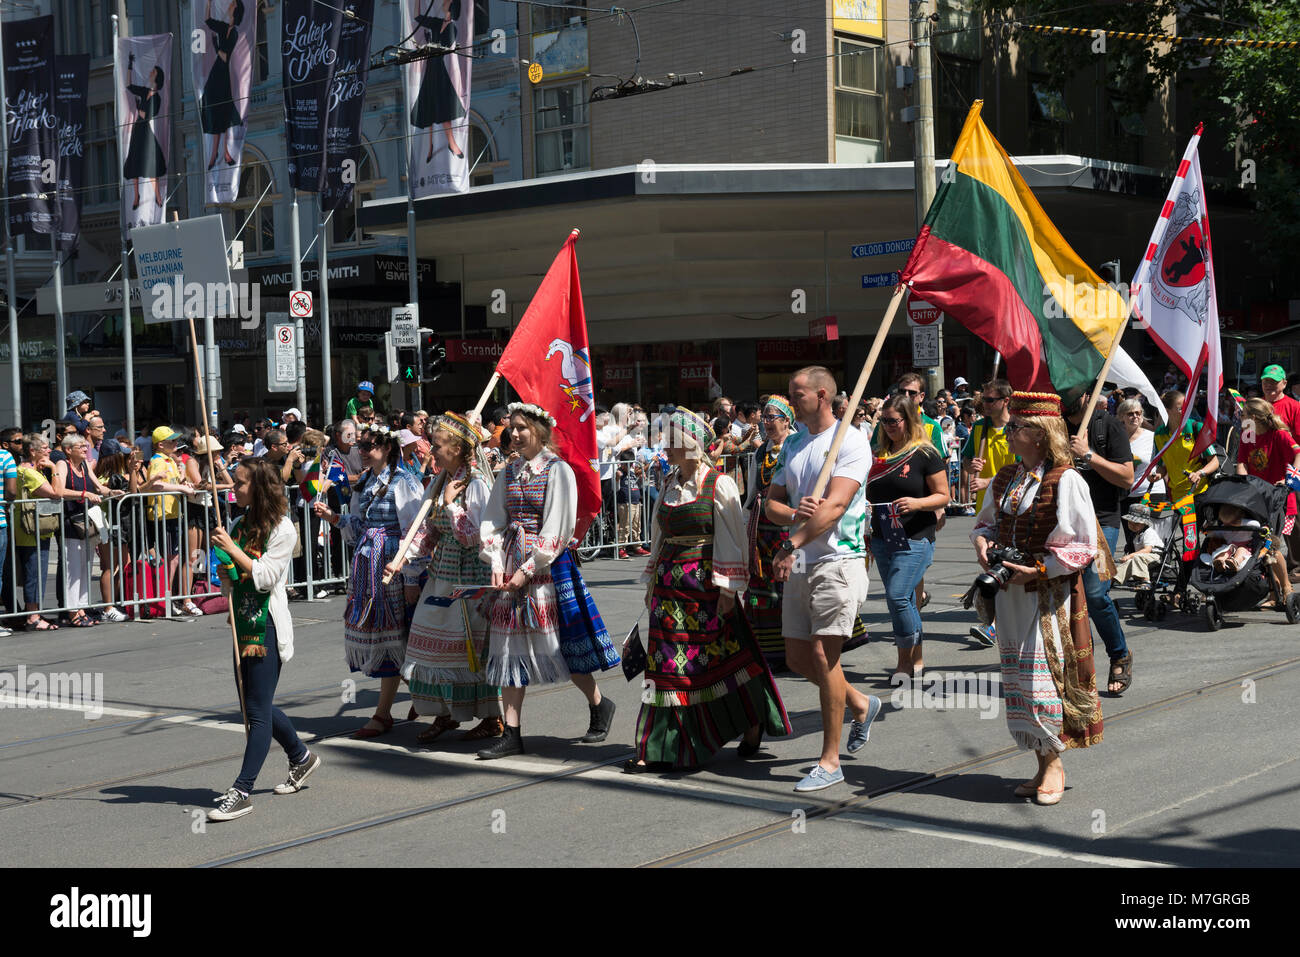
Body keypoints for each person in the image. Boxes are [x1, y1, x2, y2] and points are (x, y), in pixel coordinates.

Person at [626, 407, 790, 772]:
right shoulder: (668, 484)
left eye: (671, 442)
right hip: (669, 589)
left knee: (721, 661)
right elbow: (658, 537)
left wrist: (729, 591)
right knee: (664, 666)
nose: (664, 448)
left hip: (705, 589)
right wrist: (651, 581)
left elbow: (732, 540)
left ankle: (751, 718)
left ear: (690, 445)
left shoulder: (719, 483)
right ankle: (658, 745)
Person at [970, 391, 1104, 805]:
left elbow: (1084, 545)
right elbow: (987, 522)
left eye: (1017, 426)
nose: (1009, 432)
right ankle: (1042, 762)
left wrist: (1042, 568)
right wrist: (980, 539)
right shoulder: (1007, 476)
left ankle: (1054, 764)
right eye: (1010, 425)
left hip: (1047, 596)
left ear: (1041, 434)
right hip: (1009, 592)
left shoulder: (1068, 480)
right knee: (1018, 679)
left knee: (1041, 677)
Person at [475, 403, 619, 760]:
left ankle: (599, 703)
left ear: (540, 431)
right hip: (511, 565)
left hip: (547, 569)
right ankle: (512, 732)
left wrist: (530, 567)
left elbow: (557, 528)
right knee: (508, 649)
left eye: (522, 427)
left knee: (560, 646)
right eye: (513, 428)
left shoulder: (558, 471)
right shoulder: (508, 473)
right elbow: (493, 519)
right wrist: (495, 559)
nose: (515, 433)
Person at [767, 366, 883, 793]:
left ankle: (830, 761)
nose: (790, 400)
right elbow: (771, 506)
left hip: (837, 559)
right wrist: (795, 515)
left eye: (797, 393)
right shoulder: (794, 443)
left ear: (821, 396)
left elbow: (833, 509)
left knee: (823, 655)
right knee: (797, 659)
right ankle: (858, 702)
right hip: (800, 559)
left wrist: (792, 543)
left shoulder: (851, 442)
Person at [207, 457, 320, 821]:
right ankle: (301, 757)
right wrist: (224, 567)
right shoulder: (240, 523)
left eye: (239, 483)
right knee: (255, 704)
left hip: (266, 625)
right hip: (242, 621)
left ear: (258, 488)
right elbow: (234, 576)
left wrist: (233, 550)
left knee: (256, 711)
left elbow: (267, 577)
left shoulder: (283, 529)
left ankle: (242, 790)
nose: (233, 488)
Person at [386, 413, 504, 744]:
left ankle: (491, 716)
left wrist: (452, 506)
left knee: (467, 646)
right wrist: (404, 560)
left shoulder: (476, 482)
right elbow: (427, 529)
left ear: (455, 447)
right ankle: (446, 712)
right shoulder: (440, 480)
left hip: (470, 578)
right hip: (441, 575)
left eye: (436, 445)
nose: (430, 451)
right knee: (430, 645)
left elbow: (475, 537)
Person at [313, 426, 425, 737]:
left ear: (388, 448)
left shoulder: (404, 482)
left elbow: (413, 531)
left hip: (392, 564)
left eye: (369, 444)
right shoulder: (367, 480)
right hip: (368, 565)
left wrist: (411, 575)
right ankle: (422, 696)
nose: (362, 449)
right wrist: (334, 518)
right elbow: (361, 524)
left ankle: (383, 714)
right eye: (361, 444)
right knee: (383, 634)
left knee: (392, 634)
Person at [867, 395, 950, 680]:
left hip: (915, 535)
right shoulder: (876, 453)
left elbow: (943, 495)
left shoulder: (925, 454)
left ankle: (904, 662)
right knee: (901, 601)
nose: (888, 426)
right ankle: (916, 658)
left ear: (909, 421)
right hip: (881, 536)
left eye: (893, 421)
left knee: (898, 595)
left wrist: (916, 504)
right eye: (883, 420)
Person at [1064, 393, 1134, 697]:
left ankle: (1119, 654)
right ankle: (1080, 668)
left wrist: (1088, 455)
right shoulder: (1055, 425)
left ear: (1087, 395)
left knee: (1095, 593)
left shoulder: (1109, 426)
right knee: (1066, 598)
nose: (1065, 395)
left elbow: (1127, 477)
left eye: (1073, 389)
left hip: (1102, 523)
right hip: (1064, 523)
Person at [743, 396, 798, 672]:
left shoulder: (798, 446)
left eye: (772, 418)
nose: (766, 423)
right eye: (764, 418)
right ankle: (768, 652)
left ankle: (796, 651)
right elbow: (753, 489)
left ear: (787, 420)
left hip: (788, 525)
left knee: (788, 585)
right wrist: (745, 518)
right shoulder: (760, 450)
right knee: (763, 586)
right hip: (762, 527)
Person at [1235, 397, 1300, 607]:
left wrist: (1290, 478)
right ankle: (1274, 594)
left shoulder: (1279, 435)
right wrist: (1242, 480)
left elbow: (1298, 453)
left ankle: (1286, 589)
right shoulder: (1248, 434)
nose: (1241, 418)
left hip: (1279, 499)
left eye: (1243, 415)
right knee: (1259, 546)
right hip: (1255, 499)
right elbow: (1242, 462)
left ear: (1253, 417)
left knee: (1270, 544)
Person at [52, 432, 115, 627]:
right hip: (71, 521)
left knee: (85, 566)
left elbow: (97, 487)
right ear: (69, 450)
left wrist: (113, 492)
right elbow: (59, 491)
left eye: (86, 446)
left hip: (86, 522)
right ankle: (72, 611)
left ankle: (81, 607)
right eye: (81, 447)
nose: (86, 449)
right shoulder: (64, 465)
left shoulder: (85, 465)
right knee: (73, 568)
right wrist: (83, 494)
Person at [410, 0, 467, 160]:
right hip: (430, 69)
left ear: (452, 7)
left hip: (439, 69)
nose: (444, 1)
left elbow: (446, 46)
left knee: (443, 108)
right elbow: (417, 16)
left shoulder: (451, 28)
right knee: (428, 107)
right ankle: (430, 146)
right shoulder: (436, 23)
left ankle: (452, 143)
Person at [200, 0, 245, 170]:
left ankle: (222, 153)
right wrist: (209, 3)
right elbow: (208, 20)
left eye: (232, 4)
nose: (229, 5)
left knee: (223, 111)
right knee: (213, 106)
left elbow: (226, 57)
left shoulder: (233, 33)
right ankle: (216, 154)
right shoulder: (223, 27)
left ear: (236, 10)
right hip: (216, 73)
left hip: (224, 74)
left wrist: (216, 46)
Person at [122, 54, 166, 210]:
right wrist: (129, 66)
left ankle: (158, 196)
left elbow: (147, 115)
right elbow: (129, 85)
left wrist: (138, 108)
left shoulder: (157, 98)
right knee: (134, 162)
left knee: (150, 165)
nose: (150, 73)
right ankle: (136, 196)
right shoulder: (145, 91)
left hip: (145, 131)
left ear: (157, 77)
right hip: (137, 129)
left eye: (153, 72)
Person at [1113, 503, 1164, 585]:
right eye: (1130, 523)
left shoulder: (1148, 532)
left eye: (1136, 523)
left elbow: (1147, 549)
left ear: (1144, 523)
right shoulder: (1135, 534)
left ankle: (1145, 580)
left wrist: (1130, 555)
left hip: (1155, 555)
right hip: (1142, 557)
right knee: (1129, 562)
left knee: (1136, 557)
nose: (1132, 525)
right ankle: (1114, 578)